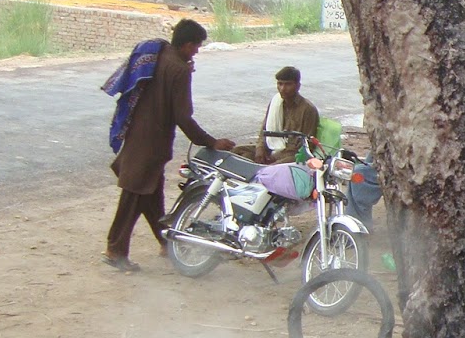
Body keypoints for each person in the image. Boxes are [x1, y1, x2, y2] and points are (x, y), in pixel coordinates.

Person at [100, 18, 234, 272]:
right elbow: (183, 116)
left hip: (138, 134)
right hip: (152, 142)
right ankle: (115, 250)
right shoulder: (179, 70)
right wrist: (210, 142)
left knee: (151, 195)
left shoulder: (160, 53)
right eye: (196, 47)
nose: (196, 52)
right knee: (133, 196)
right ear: (187, 44)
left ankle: (166, 241)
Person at [254, 66, 320, 164]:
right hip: (270, 147)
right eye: (280, 84)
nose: (283, 89)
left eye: (288, 85)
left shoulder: (308, 109)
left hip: (292, 154)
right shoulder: (275, 103)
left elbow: (307, 146)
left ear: (298, 86)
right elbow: (264, 131)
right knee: (238, 152)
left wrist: (276, 156)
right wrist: (260, 149)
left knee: (272, 168)